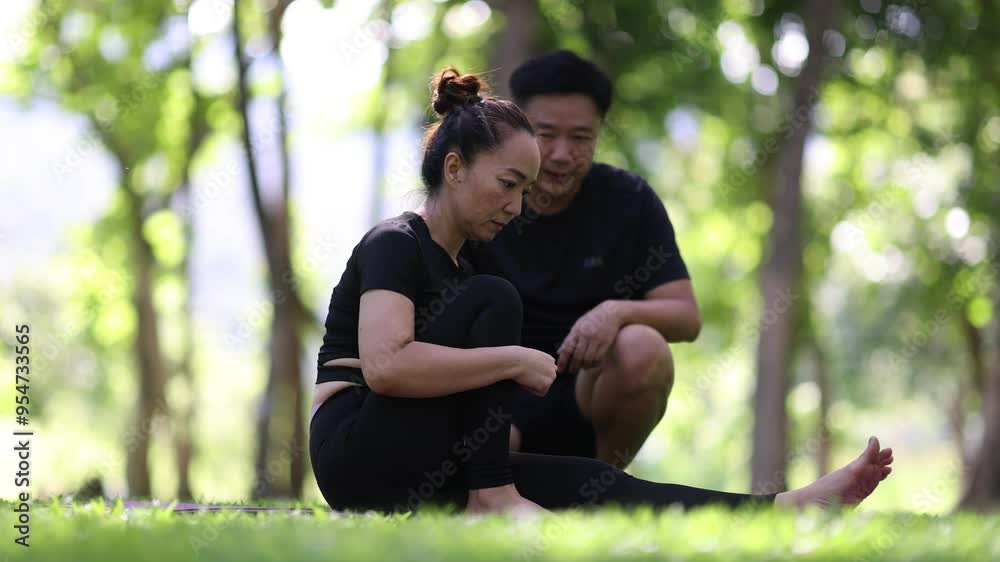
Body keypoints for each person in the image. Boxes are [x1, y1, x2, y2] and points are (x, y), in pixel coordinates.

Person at [308, 67, 894, 515]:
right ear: (455, 168)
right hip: (356, 455)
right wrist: (512, 359)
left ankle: (785, 507)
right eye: (508, 185)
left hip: (423, 464)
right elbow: (386, 366)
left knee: (592, 483)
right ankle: (492, 497)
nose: (517, 206)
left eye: (525, 189)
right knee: (496, 298)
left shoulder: (462, 263)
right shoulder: (396, 242)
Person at [460, 51, 698, 465]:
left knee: (644, 347)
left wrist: (615, 312)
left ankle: (603, 485)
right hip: (493, 395)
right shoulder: (478, 197)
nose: (561, 154)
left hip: (590, 394)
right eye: (546, 134)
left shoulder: (630, 201)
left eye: (581, 138)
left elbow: (686, 316)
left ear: (599, 133)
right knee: (486, 449)